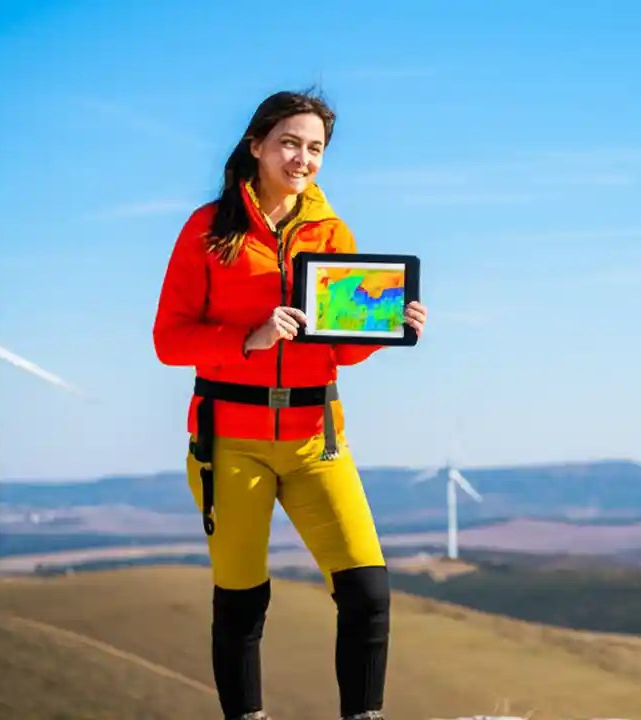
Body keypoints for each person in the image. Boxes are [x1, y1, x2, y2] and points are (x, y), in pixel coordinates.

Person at [153, 89, 425, 720]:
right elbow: (170, 341)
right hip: (231, 439)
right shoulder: (206, 230)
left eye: (315, 148)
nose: (302, 158)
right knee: (242, 601)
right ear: (256, 146)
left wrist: (391, 330)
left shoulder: (333, 233)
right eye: (290, 143)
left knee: (367, 592)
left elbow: (342, 351)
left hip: (317, 438)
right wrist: (248, 338)